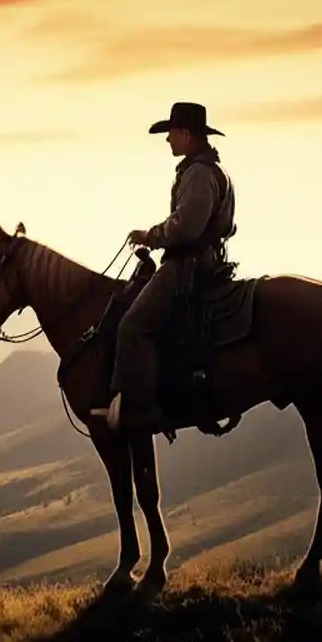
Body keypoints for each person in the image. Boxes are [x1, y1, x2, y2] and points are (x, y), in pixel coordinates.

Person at [108, 101, 236, 435]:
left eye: (171, 134)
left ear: (185, 133)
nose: (167, 141)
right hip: (204, 258)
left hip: (188, 263)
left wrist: (151, 236)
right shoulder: (210, 170)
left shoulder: (198, 174)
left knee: (132, 326)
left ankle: (140, 409)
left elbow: (186, 227)